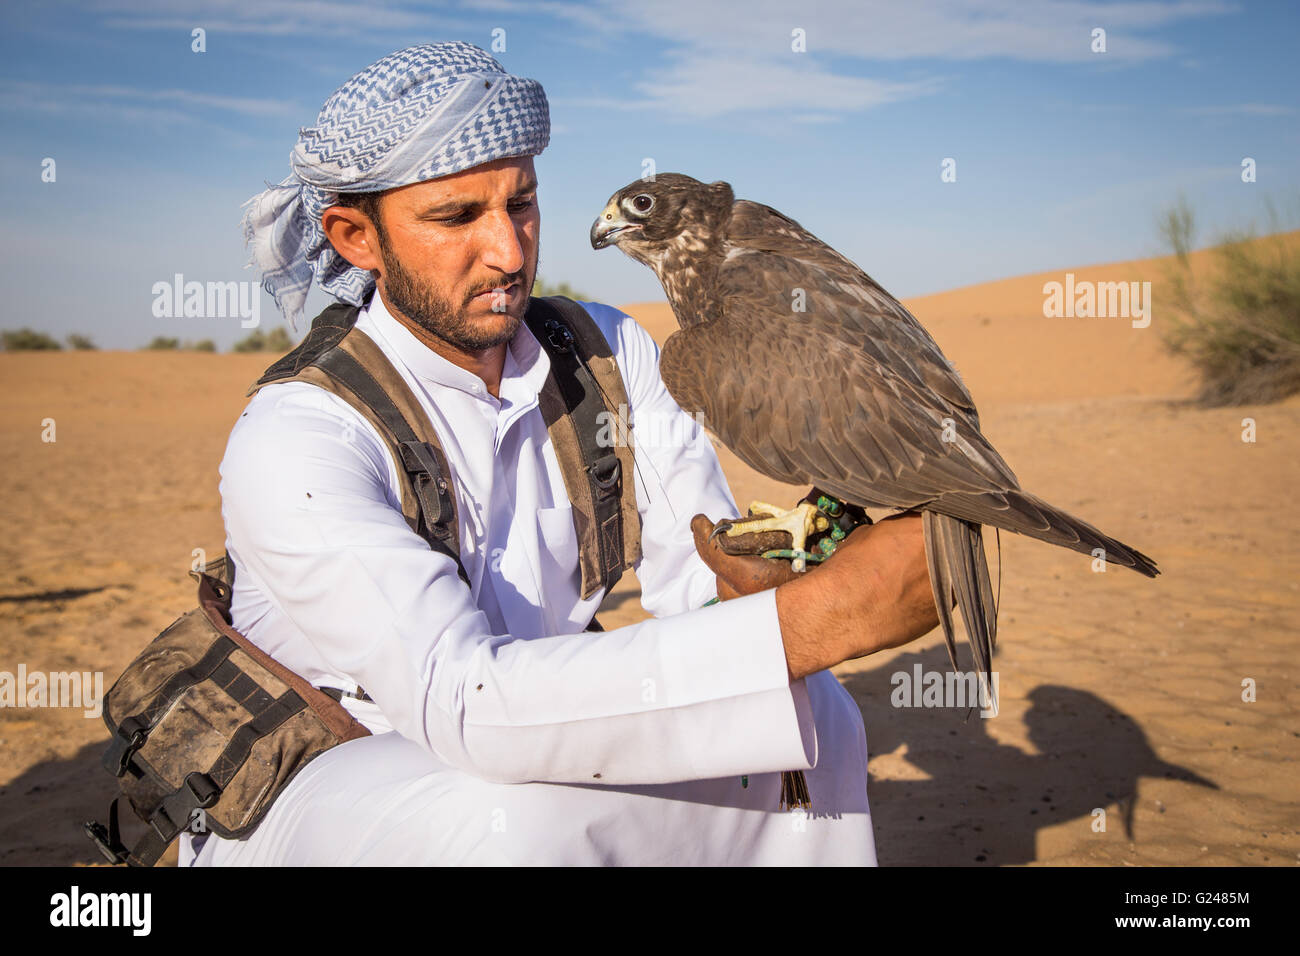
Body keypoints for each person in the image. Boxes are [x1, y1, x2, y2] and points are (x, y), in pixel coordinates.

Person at [182, 41, 940, 867]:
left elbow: (697, 584)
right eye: (458, 217)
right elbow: (461, 700)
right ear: (355, 236)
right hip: (321, 778)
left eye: (523, 204)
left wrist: (785, 576)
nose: (509, 251)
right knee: (522, 825)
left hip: (534, 727)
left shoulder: (605, 351)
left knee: (814, 716)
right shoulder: (300, 436)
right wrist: (815, 621)